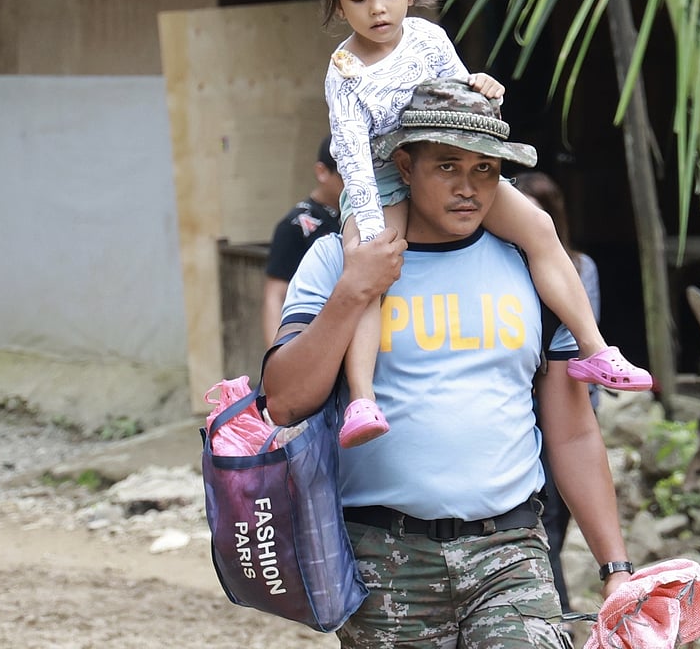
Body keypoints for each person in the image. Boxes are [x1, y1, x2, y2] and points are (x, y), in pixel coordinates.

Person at [261, 79, 633, 648]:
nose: (469, 188)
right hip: (383, 560)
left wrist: (617, 571)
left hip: (511, 554)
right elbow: (284, 399)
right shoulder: (340, 256)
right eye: (447, 167)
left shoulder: (530, 266)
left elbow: (575, 432)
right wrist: (353, 292)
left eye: (486, 169)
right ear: (405, 166)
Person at [319, 0, 651, 449]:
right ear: (338, 4)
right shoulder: (344, 69)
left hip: (446, 163)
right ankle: (362, 398)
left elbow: (459, 102)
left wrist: (482, 85)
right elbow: (352, 150)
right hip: (380, 176)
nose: (376, 9)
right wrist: (374, 224)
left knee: (540, 227)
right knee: (369, 269)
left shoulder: (427, 37)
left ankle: (594, 350)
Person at [515, 170, 601, 614]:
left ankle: (555, 601)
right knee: (540, 512)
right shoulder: (506, 266)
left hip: (569, 403)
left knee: (561, 513)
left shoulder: (579, 268)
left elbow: (581, 341)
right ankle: (558, 610)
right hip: (521, 406)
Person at [261, 136, 345, 343]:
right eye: (346, 177)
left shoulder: (358, 218)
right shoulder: (294, 225)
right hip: (309, 336)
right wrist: (277, 356)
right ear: (322, 172)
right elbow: (275, 295)